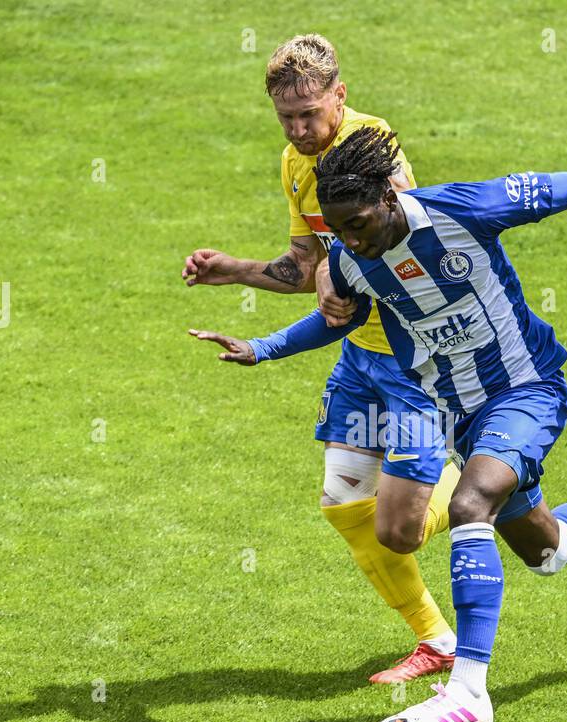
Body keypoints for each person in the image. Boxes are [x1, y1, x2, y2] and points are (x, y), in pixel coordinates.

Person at [191, 127, 567, 722]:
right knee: (546, 551)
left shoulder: (463, 210)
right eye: (339, 231)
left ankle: (468, 690)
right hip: (462, 415)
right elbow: (335, 322)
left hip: (527, 390)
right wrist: (262, 348)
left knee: (471, 505)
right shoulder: (349, 260)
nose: (352, 241)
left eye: (359, 223)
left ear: (389, 199)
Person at [183, 36, 461, 684]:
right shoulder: (293, 164)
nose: (301, 129)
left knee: (405, 526)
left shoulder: (374, 148)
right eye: (288, 118)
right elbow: (303, 269)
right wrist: (237, 272)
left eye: (311, 113)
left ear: (339, 94)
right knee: (343, 500)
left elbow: (402, 243)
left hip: (414, 360)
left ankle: (485, 491)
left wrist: (341, 270)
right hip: (360, 361)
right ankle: (436, 640)